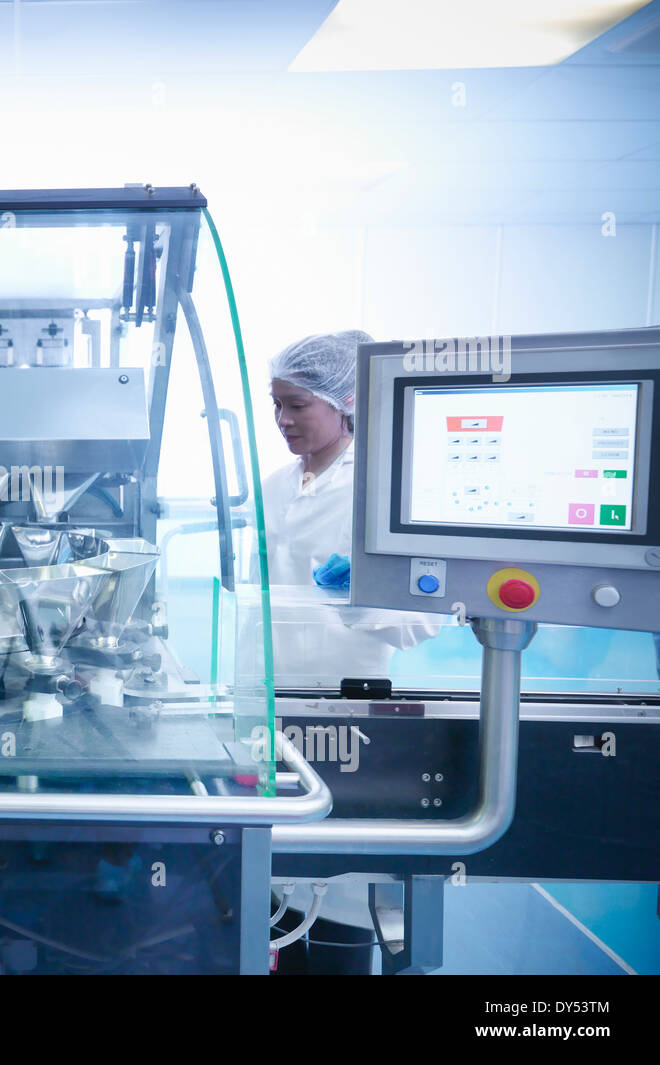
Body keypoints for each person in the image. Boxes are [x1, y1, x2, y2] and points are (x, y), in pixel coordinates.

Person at [257, 330, 443, 973]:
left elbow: (427, 620)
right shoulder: (275, 484)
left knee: (338, 902)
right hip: (270, 705)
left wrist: (361, 599)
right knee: (274, 895)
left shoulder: (381, 488)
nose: (283, 420)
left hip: (348, 716)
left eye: (297, 406)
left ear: (343, 402)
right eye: (275, 405)